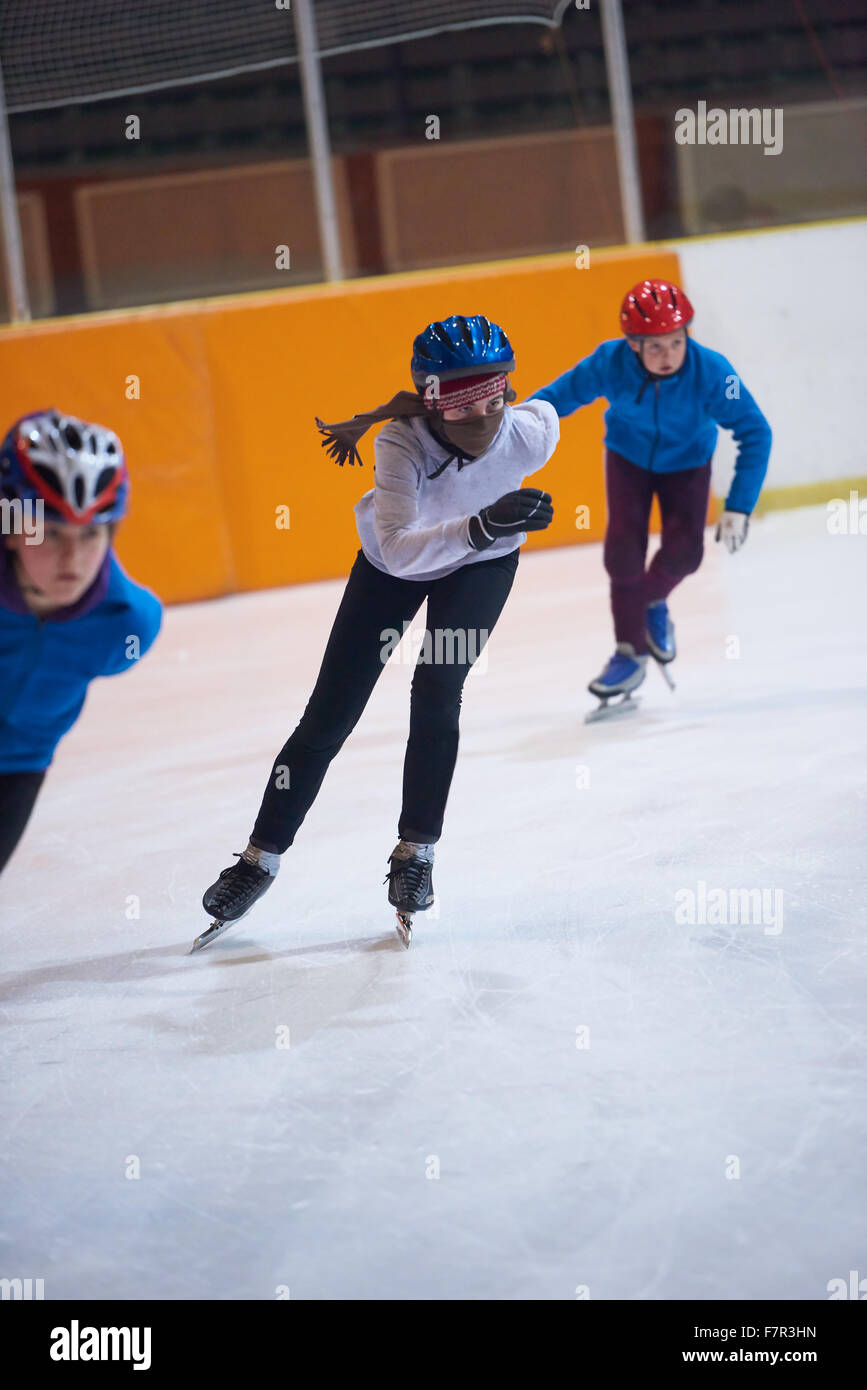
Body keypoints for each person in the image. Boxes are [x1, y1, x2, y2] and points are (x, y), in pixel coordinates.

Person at [199, 314, 558, 948]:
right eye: (459, 402)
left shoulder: (530, 433)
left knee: (437, 690)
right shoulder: (401, 442)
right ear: (428, 400)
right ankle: (259, 858)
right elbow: (397, 549)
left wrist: (622, 357)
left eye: (494, 396)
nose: (480, 417)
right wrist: (480, 526)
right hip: (396, 570)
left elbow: (580, 386)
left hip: (479, 571)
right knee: (331, 715)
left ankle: (416, 850)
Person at [528, 279, 772, 704]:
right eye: (654, 347)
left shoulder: (713, 372)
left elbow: (756, 432)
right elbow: (555, 399)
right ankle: (629, 654)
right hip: (629, 459)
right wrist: (510, 428)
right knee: (622, 553)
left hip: (688, 463)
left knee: (685, 554)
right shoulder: (609, 362)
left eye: (675, 343)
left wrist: (739, 507)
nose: (667, 356)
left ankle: (652, 603)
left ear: (686, 337)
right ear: (633, 345)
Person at [0, 409, 162, 875]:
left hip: (20, 767)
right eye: (51, 533)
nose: (72, 558)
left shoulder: (128, 623)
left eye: (91, 534)